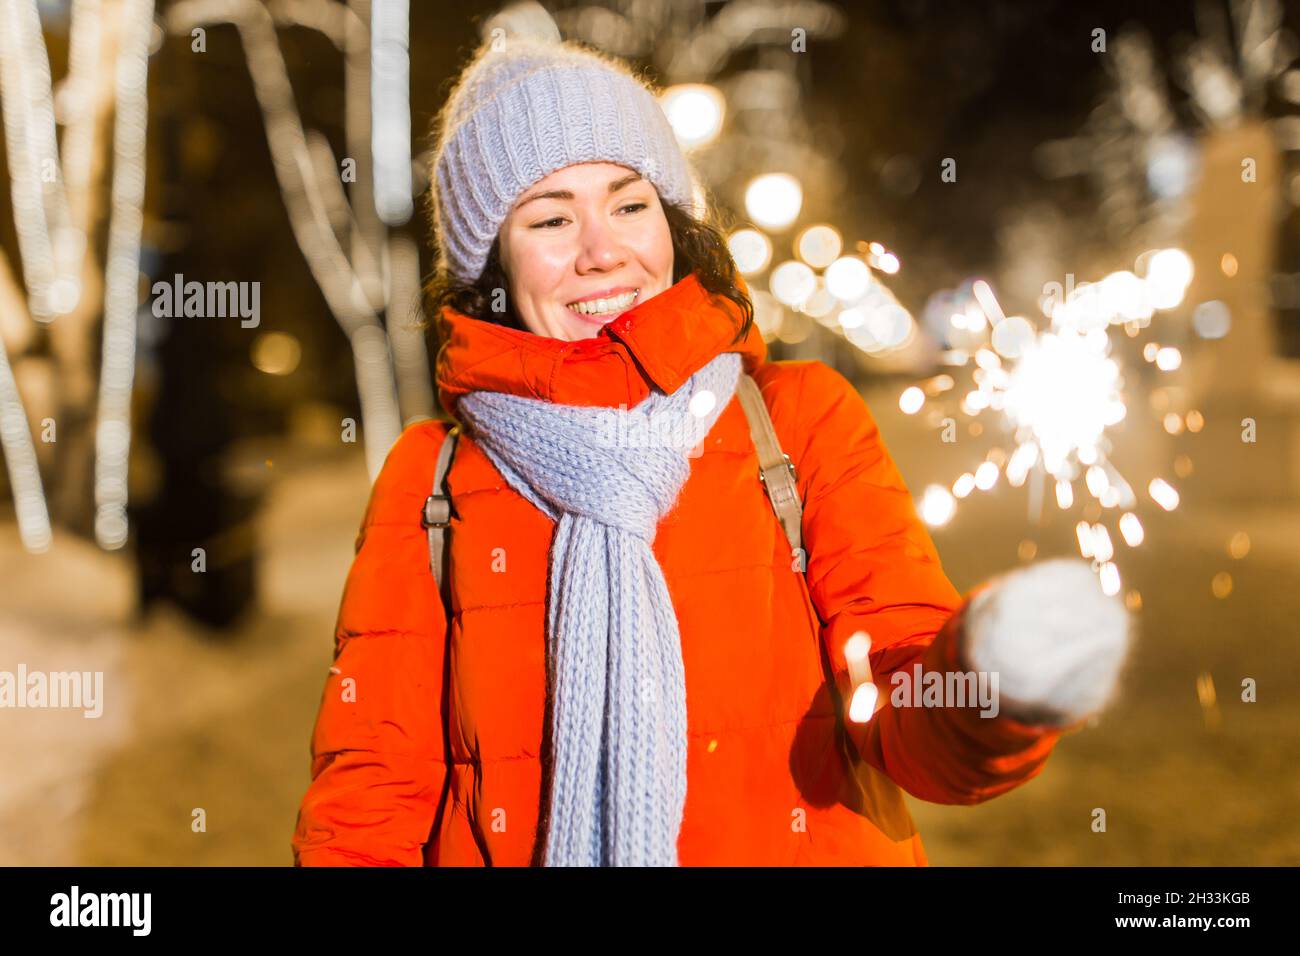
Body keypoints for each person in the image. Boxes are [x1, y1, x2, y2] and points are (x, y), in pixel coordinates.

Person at [291, 35, 1130, 867]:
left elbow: (902, 710)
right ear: (493, 266)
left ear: (671, 220)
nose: (602, 250)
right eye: (551, 218)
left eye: (629, 204)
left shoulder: (798, 424)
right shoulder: (432, 478)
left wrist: (988, 677)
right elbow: (372, 789)